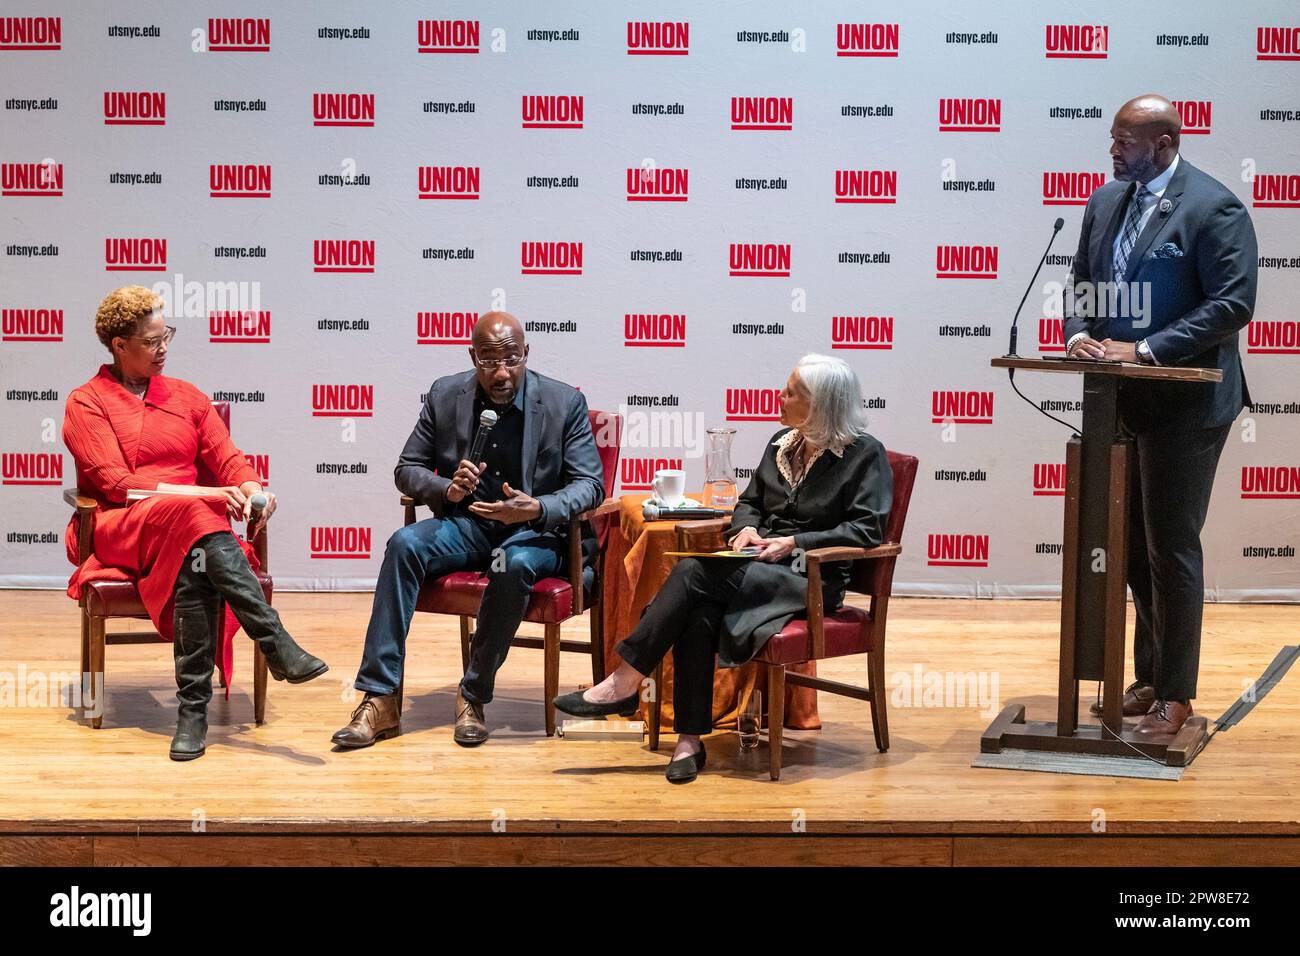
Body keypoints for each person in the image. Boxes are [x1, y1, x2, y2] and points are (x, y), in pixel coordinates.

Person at [554, 354, 892, 782]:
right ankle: (689, 742)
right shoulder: (783, 442)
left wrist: (795, 542)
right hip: (760, 565)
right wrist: (747, 531)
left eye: (793, 393)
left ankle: (624, 681)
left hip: (811, 577)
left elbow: (867, 531)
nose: (780, 397)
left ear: (822, 404)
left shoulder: (865, 454)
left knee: (694, 573)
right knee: (697, 614)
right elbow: (749, 503)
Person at [62, 286, 328, 761]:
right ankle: (275, 639)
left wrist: (251, 488)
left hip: (191, 530)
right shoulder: (86, 402)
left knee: (196, 560)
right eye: (151, 341)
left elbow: (229, 459)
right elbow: (117, 483)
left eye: (168, 337)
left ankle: (193, 714)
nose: (164, 348)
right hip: (123, 527)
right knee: (195, 519)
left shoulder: (188, 397)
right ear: (120, 346)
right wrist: (204, 494)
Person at [1064, 94, 1257, 736]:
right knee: (1133, 553)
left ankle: (1179, 692)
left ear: (1166, 143)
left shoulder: (1214, 206)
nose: (1113, 151)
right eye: (1113, 139)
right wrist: (1079, 336)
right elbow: (1083, 280)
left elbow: (1232, 304)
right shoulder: (1104, 202)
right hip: (1119, 399)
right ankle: (1149, 676)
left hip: (1188, 402)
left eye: (1125, 141)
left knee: (1171, 547)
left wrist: (1145, 348)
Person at [332, 311, 604, 749]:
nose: (501, 373)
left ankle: (473, 695)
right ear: (472, 356)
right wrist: (448, 490)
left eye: (512, 360)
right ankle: (379, 697)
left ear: (526, 353)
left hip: (533, 535)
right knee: (404, 544)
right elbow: (407, 470)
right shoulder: (445, 394)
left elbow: (591, 486)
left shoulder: (562, 402)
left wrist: (536, 507)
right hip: (469, 526)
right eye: (489, 362)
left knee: (513, 562)